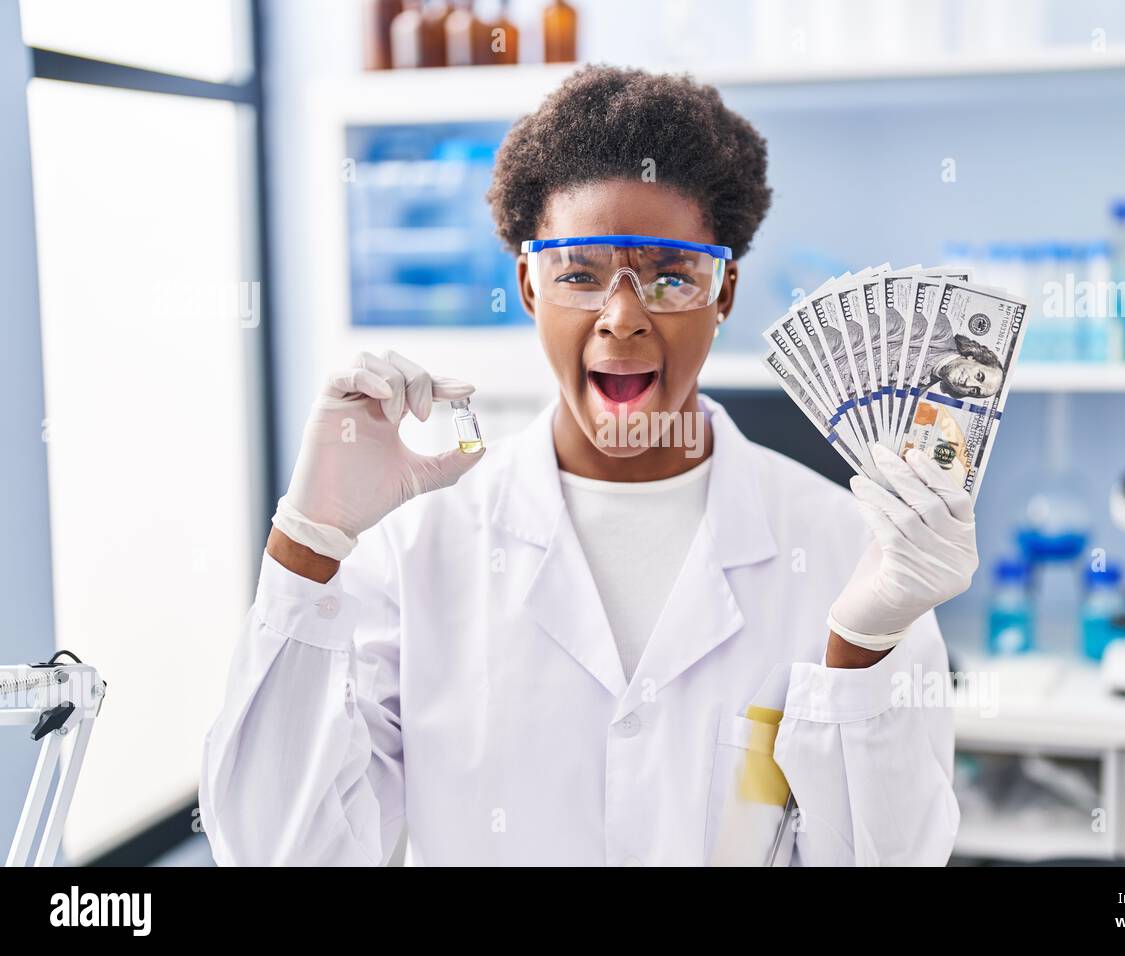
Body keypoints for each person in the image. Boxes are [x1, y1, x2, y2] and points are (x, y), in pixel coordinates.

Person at [199, 66, 978, 866]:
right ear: (528, 287)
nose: (622, 317)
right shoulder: (419, 550)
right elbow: (279, 853)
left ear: (726, 293)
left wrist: (861, 651)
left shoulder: (847, 553)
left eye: (672, 277)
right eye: (579, 273)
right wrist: (307, 544)